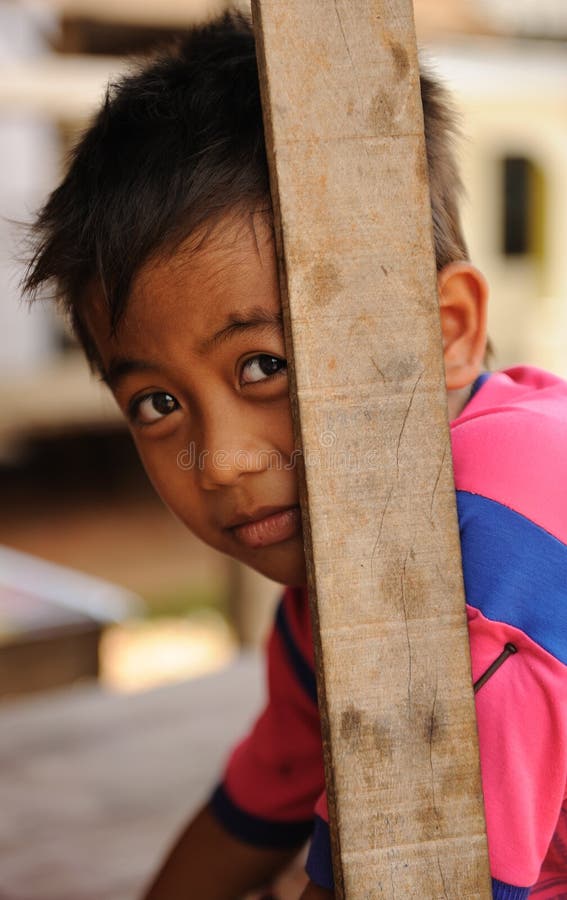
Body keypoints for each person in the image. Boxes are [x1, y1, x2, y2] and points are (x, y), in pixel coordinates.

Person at [23, 12, 567, 900]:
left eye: (266, 366)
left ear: (446, 333)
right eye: (157, 403)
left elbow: (414, 877)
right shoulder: (335, 593)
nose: (223, 463)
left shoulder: (494, 530)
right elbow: (257, 804)